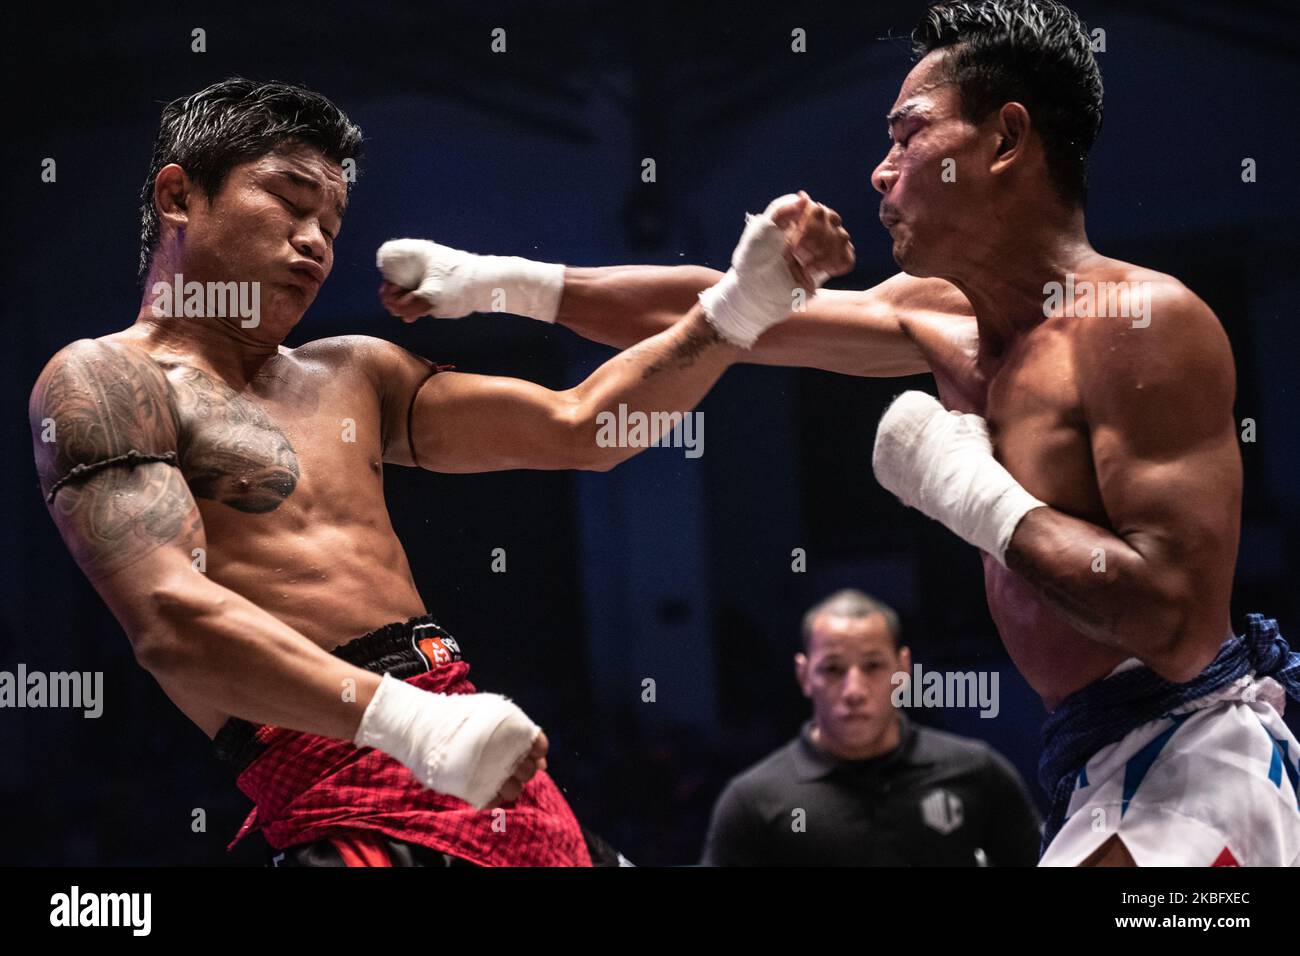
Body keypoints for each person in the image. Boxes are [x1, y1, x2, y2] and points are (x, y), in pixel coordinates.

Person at [386, 2, 1300, 866]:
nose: (879, 168)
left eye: (908, 134)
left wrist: (967, 491)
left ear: (1008, 140)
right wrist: (495, 281)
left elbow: (1176, 630)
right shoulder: (939, 319)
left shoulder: (1139, 321)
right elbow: (721, 316)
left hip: (1194, 753)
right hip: (1097, 754)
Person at [28, 76, 854, 867]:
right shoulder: (106, 379)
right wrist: (413, 725)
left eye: (333, 218)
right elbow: (171, 622)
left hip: (480, 755)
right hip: (344, 782)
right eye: (288, 198)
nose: (315, 239)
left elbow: (586, 427)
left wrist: (741, 304)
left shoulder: (353, 370)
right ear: (178, 195)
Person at [701, 589, 1041, 866]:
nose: (854, 691)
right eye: (833, 669)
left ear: (903, 668)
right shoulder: (752, 801)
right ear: (804, 675)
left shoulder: (976, 772)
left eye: (873, 666)